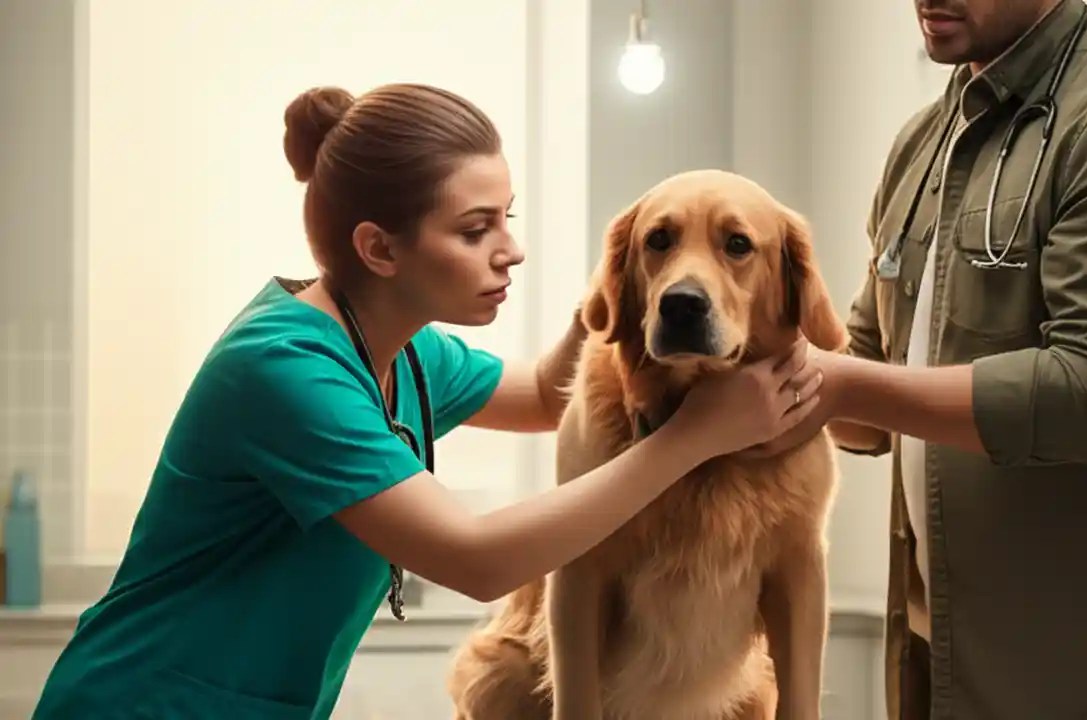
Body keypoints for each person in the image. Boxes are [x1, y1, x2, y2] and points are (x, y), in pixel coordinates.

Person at [31, 83, 824, 718]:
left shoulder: (400, 351)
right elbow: (476, 560)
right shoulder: (283, 371)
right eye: (476, 229)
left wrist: (638, 283)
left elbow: (549, 393)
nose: (510, 248)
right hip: (141, 702)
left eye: (507, 218)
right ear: (379, 248)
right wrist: (694, 437)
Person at [760, 0, 1087, 718]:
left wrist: (834, 385)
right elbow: (864, 391)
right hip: (949, 673)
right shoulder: (924, 143)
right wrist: (745, 355)